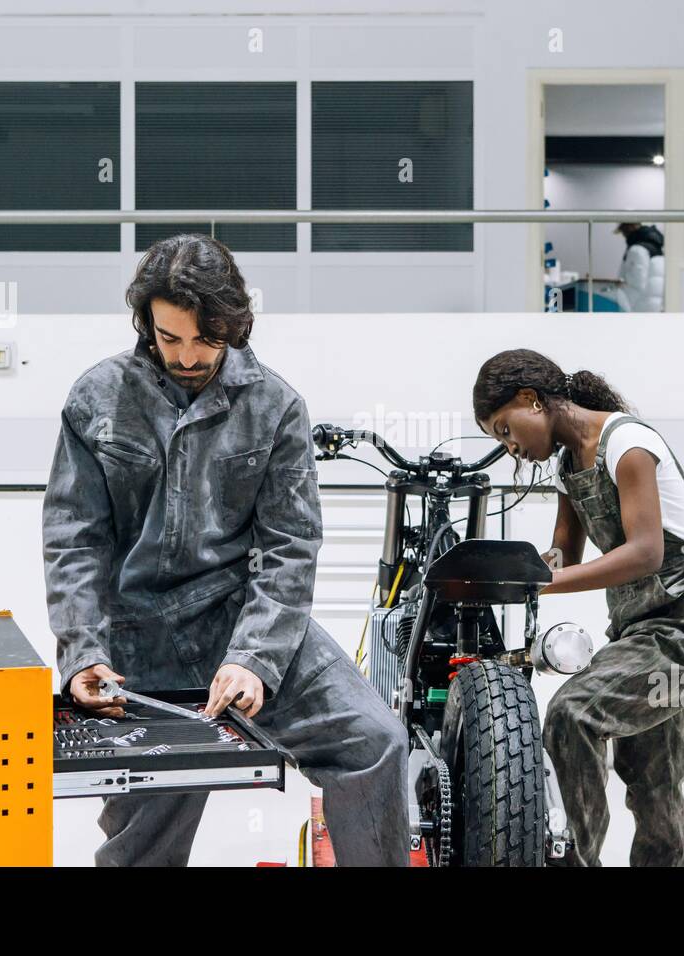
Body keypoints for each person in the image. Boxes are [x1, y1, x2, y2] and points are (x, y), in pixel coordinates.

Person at [42, 233, 409, 867]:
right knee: (147, 833)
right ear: (146, 323)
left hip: (242, 619)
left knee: (373, 742)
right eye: (169, 337)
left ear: (234, 326)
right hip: (137, 641)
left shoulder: (275, 407)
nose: (186, 356)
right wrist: (82, 654)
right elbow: (74, 539)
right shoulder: (96, 399)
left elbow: (289, 547)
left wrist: (256, 659)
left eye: (205, 340)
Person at [472, 348, 684, 866]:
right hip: (642, 629)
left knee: (573, 714)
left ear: (532, 400)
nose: (510, 448)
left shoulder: (627, 443)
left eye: (505, 429)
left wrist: (545, 583)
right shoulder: (570, 464)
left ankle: (572, 860)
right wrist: (514, 570)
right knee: (651, 771)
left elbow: (645, 553)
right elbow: (562, 555)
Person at [614, 222, 666, 312]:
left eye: (623, 231)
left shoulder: (637, 250)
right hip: (655, 305)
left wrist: (620, 285)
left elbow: (637, 283)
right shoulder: (656, 247)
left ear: (629, 228)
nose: (623, 235)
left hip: (641, 307)